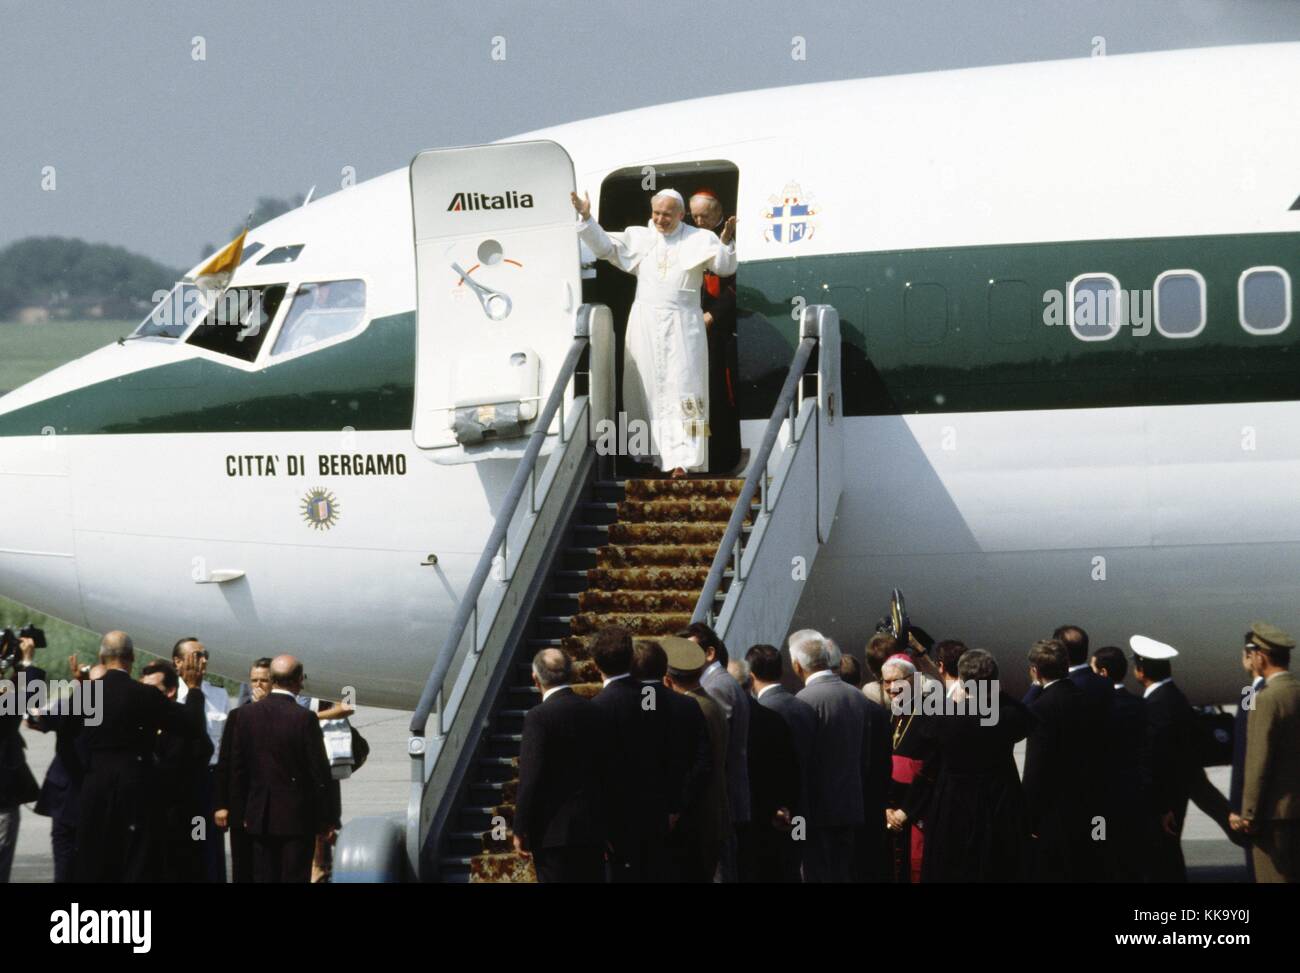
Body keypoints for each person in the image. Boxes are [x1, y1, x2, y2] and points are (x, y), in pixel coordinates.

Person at [572, 187, 736, 476]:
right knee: (646, 386)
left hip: (683, 323)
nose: (660, 219)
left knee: (686, 387)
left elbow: (723, 267)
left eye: (667, 214)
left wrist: (724, 242)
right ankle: (652, 455)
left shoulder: (699, 238)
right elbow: (604, 247)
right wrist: (587, 217)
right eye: (657, 213)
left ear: (681, 215)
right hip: (645, 321)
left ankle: (685, 459)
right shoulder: (640, 237)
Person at [75, 631, 208, 882]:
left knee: (93, 858)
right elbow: (191, 726)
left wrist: (84, 774)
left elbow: (66, 738)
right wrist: (194, 689)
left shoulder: (87, 693)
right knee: (136, 860)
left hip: (95, 785)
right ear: (132, 658)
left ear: (101, 657)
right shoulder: (145, 694)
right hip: (136, 784)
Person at [915, 649, 1034, 882]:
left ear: (961, 681)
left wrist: (955, 700)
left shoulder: (946, 717)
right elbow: (1027, 719)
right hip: (998, 799)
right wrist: (995, 694)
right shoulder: (1007, 715)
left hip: (952, 802)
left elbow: (926, 732)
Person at [790, 628, 890, 882]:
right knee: (843, 871)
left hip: (815, 811)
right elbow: (864, 757)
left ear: (797, 665)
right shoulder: (858, 697)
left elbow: (800, 761)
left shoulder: (803, 700)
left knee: (815, 872)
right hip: (851, 804)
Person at [229, 654, 334, 883]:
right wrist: (327, 818)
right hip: (297, 818)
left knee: (264, 876)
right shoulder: (304, 718)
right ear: (299, 680)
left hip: (259, 816)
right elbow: (319, 773)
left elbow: (238, 768)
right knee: (294, 876)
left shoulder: (245, 715)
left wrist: (239, 813)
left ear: (272, 679)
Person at [512, 649, 608, 882]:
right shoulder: (596, 710)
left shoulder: (538, 716)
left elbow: (530, 777)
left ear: (535, 679)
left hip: (551, 833)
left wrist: (519, 826)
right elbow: (608, 769)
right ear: (571, 674)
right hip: (592, 828)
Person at [587, 626, 674, 882]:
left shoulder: (595, 709)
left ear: (595, 664)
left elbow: (594, 774)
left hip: (617, 826)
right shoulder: (658, 700)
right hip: (657, 817)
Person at [631, 639, 711, 881]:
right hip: (685, 820)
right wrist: (677, 806)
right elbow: (702, 761)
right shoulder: (688, 705)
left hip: (636, 824)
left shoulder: (617, 705)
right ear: (664, 667)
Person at [682, 621, 749, 881]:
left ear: (709, 653)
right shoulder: (719, 682)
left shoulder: (715, 686)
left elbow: (714, 746)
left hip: (723, 801)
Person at [1234, 623, 1299, 882]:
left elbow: (1258, 762)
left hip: (1276, 816)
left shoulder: (1267, 699)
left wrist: (1248, 812)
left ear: (1260, 656)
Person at [1022, 639, 1092, 881]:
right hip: (1087, 805)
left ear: (1035, 671)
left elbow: (1036, 770)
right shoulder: (1086, 699)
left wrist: (1028, 818)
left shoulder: (1041, 708)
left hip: (1054, 813)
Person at [662, 636, 729, 881]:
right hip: (714, 813)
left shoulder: (690, 709)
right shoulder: (711, 703)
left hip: (696, 818)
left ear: (668, 679)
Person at [1131, 635, 1198, 883]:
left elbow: (1158, 759)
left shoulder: (1157, 705)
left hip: (1162, 802)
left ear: (1141, 670)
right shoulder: (1174, 698)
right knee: (1167, 859)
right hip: (1173, 796)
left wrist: (1162, 806)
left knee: (1162, 862)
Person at [28, 659, 102, 883]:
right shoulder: (71, 707)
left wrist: (27, 664)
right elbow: (34, 718)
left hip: (89, 803)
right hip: (72, 803)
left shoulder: (80, 707)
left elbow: (33, 716)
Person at [746, 643, 815, 881]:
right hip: (803, 807)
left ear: (751, 675)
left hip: (776, 813)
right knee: (796, 865)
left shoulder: (762, 711)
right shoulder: (804, 706)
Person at [140, 660, 213, 882]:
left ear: (171, 691)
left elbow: (202, 749)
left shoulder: (186, 719)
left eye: (154, 691)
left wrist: (194, 690)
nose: (148, 698)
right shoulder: (140, 722)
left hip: (190, 817)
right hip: (154, 817)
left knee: (194, 863)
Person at [728, 658, 798, 882]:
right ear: (750, 682)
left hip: (736, 817)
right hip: (770, 818)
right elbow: (789, 768)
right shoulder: (773, 719)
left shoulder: (724, 720)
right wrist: (783, 805)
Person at [689, 189, 740, 472]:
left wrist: (713, 315)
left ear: (718, 213)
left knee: (720, 394)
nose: (699, 221)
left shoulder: (731, 238)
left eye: (704, 216)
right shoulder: (688, 239)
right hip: (693, 327)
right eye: (694, 216)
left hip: (719, 331)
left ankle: (721, 457)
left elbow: (734, 286)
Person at [1090, 645, 1150, 883]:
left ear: (1102, 673)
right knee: (1130, 861)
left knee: (1103, 857)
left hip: (1101, 801)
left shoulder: (1093, 706)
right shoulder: (1139, 705)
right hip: (1133, 796)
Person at [215, 657, 272, 883]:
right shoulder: (237, 716)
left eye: (263, 681)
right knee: (243, 868)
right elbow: (226, 761)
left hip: (272, 809)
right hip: (242, 807)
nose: (257, 686)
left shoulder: (288, 715)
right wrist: (221, 804)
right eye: (253, 681)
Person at [881, 654, 933, 883]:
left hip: (917, 813)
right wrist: (885, 809)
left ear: (913, 680)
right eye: (886, 682)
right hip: (890, 815)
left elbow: (932, 769)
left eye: (897, 681)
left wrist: (904, 812)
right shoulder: (890, 715)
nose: (891, 688)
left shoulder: (930, 713)